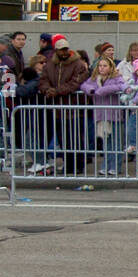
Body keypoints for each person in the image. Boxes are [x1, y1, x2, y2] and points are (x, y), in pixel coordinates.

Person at [38, 36, 89, 174]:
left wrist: (57, 91)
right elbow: (43, 80)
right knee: (63, 139)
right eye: (61, 50)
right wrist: (47, 90)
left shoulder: (78, 64)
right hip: (57, 109)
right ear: (56, 50)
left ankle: (78, 165)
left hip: (73, 108)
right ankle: (68, 164)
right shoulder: (50, 64)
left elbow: (76, 82)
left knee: (76, 139)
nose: (64, 52)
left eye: (66, 49)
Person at [81, 57, 127, 175]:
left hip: (114, 115)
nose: (102, 68)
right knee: (106, 143)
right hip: (101, 115)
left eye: (105, 66)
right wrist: (91, 90)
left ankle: (115, 167)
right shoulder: (94, 79)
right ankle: (106, 165)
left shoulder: (117, 77)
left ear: (111, 67)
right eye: (100, 66)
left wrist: (103, 90)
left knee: (116, 142)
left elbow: (122, 86)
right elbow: (84, 85)